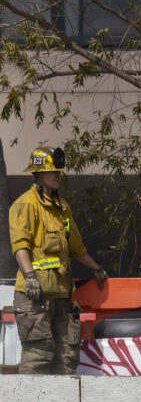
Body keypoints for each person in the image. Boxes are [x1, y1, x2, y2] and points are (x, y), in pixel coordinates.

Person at [8, 146, 110, 375]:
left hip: (62, 297)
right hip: (34, 296)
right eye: (52, 171)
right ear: (38, 174)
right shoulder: (26, 205)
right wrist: (30, 277)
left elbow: (75, 247)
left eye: (59, 171)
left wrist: (96, 268)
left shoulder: (62, 208)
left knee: (67, 357)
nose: (58, 175)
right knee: (39, 355)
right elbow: (20, 245)